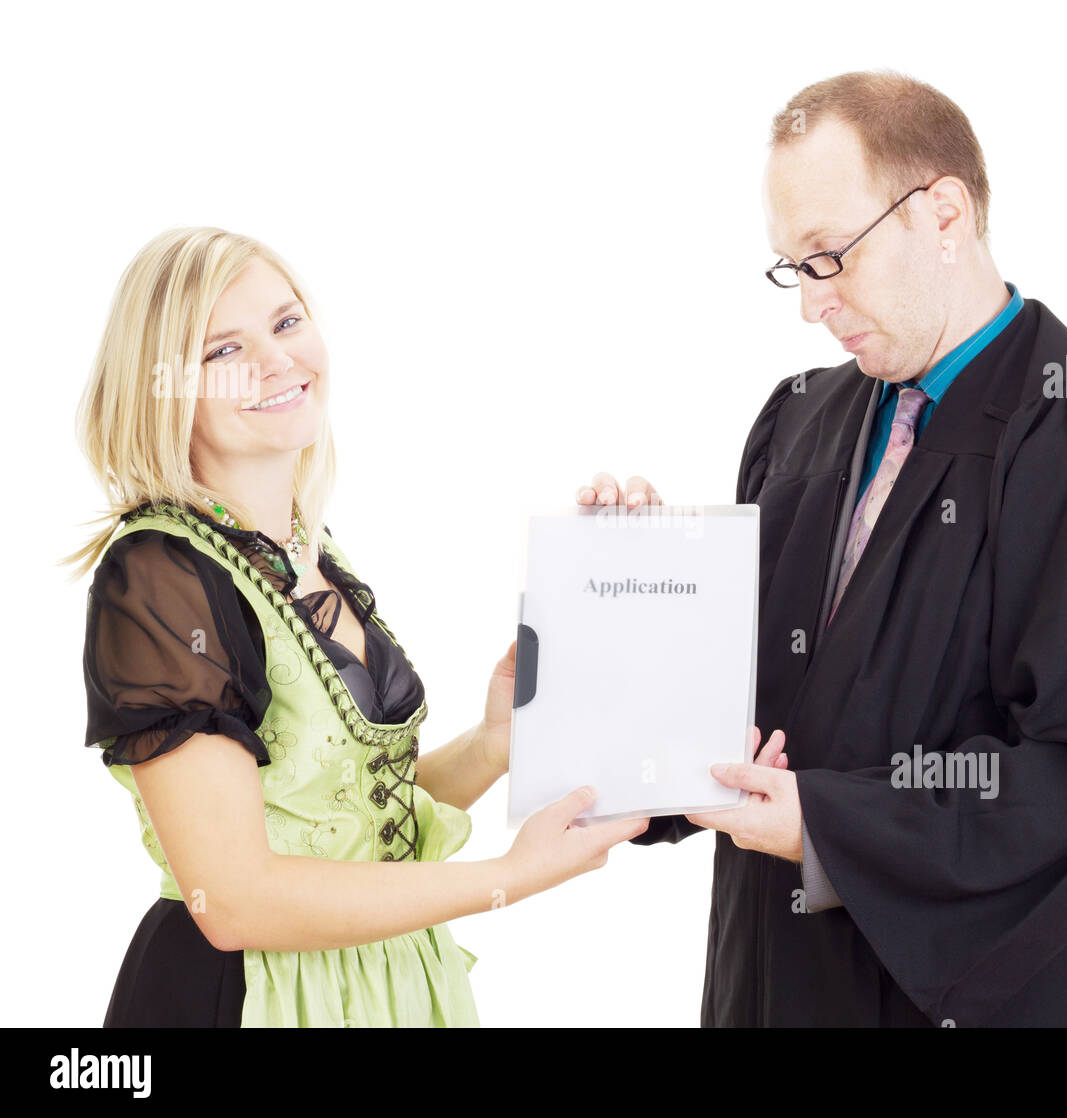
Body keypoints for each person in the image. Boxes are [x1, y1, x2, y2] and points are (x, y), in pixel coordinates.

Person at [578, 70, 1067, 1027]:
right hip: (772, 979)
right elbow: (746, 720)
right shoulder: (799, 422)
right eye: (793, 265)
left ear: (944, 213)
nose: (809, 303)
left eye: (829, 255)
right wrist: (644, 599)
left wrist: (827, 828)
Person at [65, 226, 649, 1027]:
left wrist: (490, 745)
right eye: (222, 349)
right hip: (253, 997)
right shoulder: (162, 573)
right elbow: (234, 900)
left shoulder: (305, 547)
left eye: (286, 321)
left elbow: (338, 826)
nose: (277, 362)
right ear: (160, 387)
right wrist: (506, 875)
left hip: (384, 987)